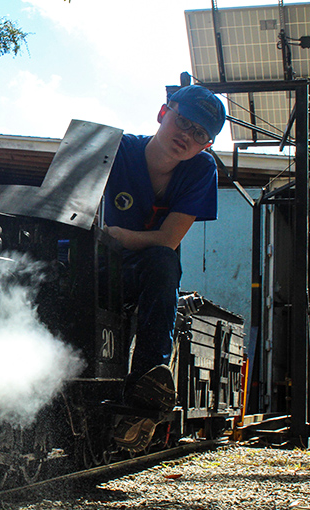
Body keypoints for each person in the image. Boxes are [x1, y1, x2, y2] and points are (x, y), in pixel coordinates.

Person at [103, 85, 226, 451]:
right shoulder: (117, 149)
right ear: (162, 113)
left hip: (145, 274)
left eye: (199, 133)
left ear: (205, 145)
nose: (186, 135)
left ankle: (148, 382)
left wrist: (117, 235)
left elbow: (168, 240)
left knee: (162, 260)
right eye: (183, 121)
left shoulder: (201, 170)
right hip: (99, 267)